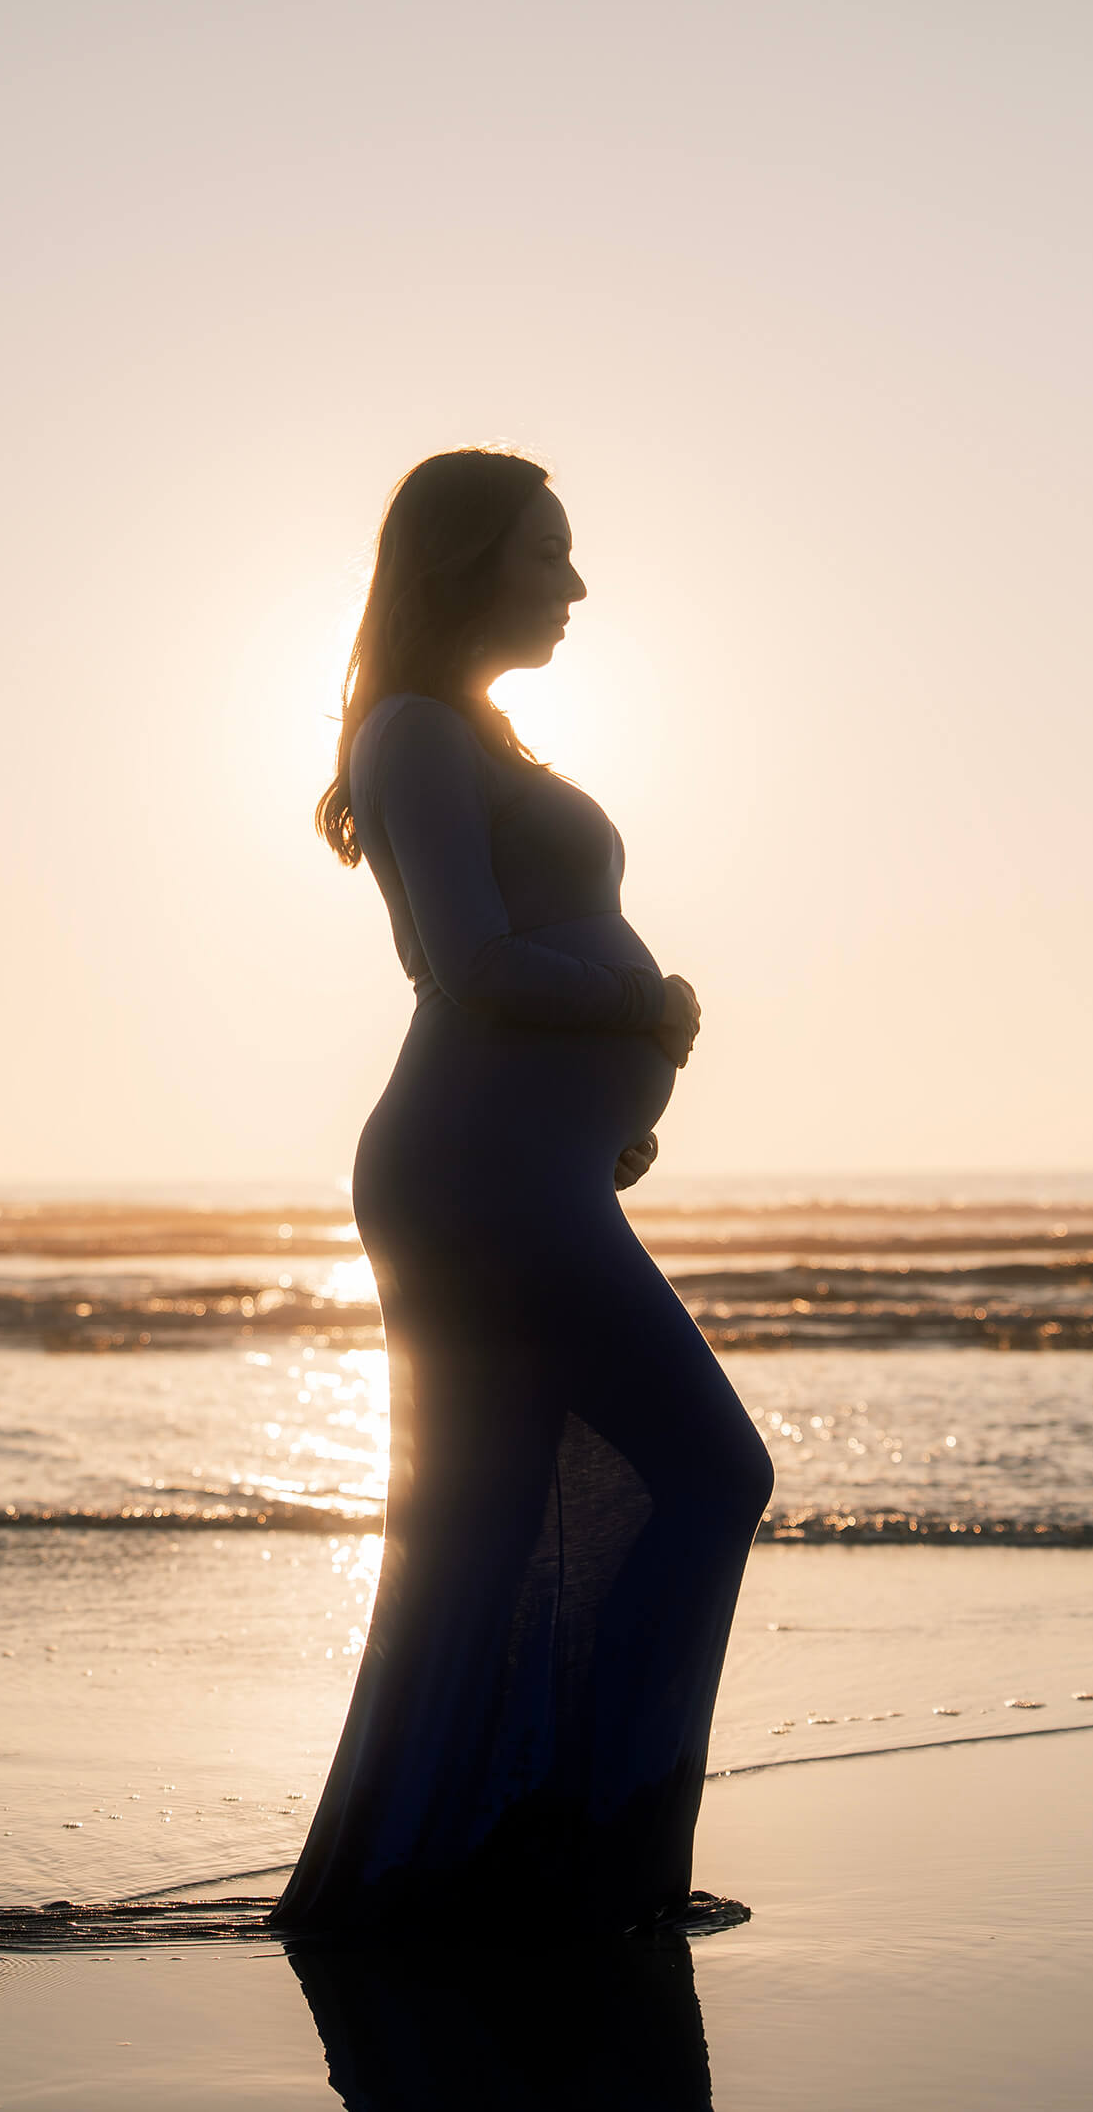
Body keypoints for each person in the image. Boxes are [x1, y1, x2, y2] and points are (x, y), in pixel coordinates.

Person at [271, 449, 774, 1939]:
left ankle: (480, 1862)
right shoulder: (415, 730)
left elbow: (517, 958)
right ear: (460, 562)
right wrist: (645, 1016)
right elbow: (466, 965)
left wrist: (600, 1113)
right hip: (473, 1175)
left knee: (483, 1529)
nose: (573, 583)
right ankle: (587, 1842)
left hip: (518, 1163)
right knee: (710, 1472)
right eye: (544, 552)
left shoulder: (469, 732)